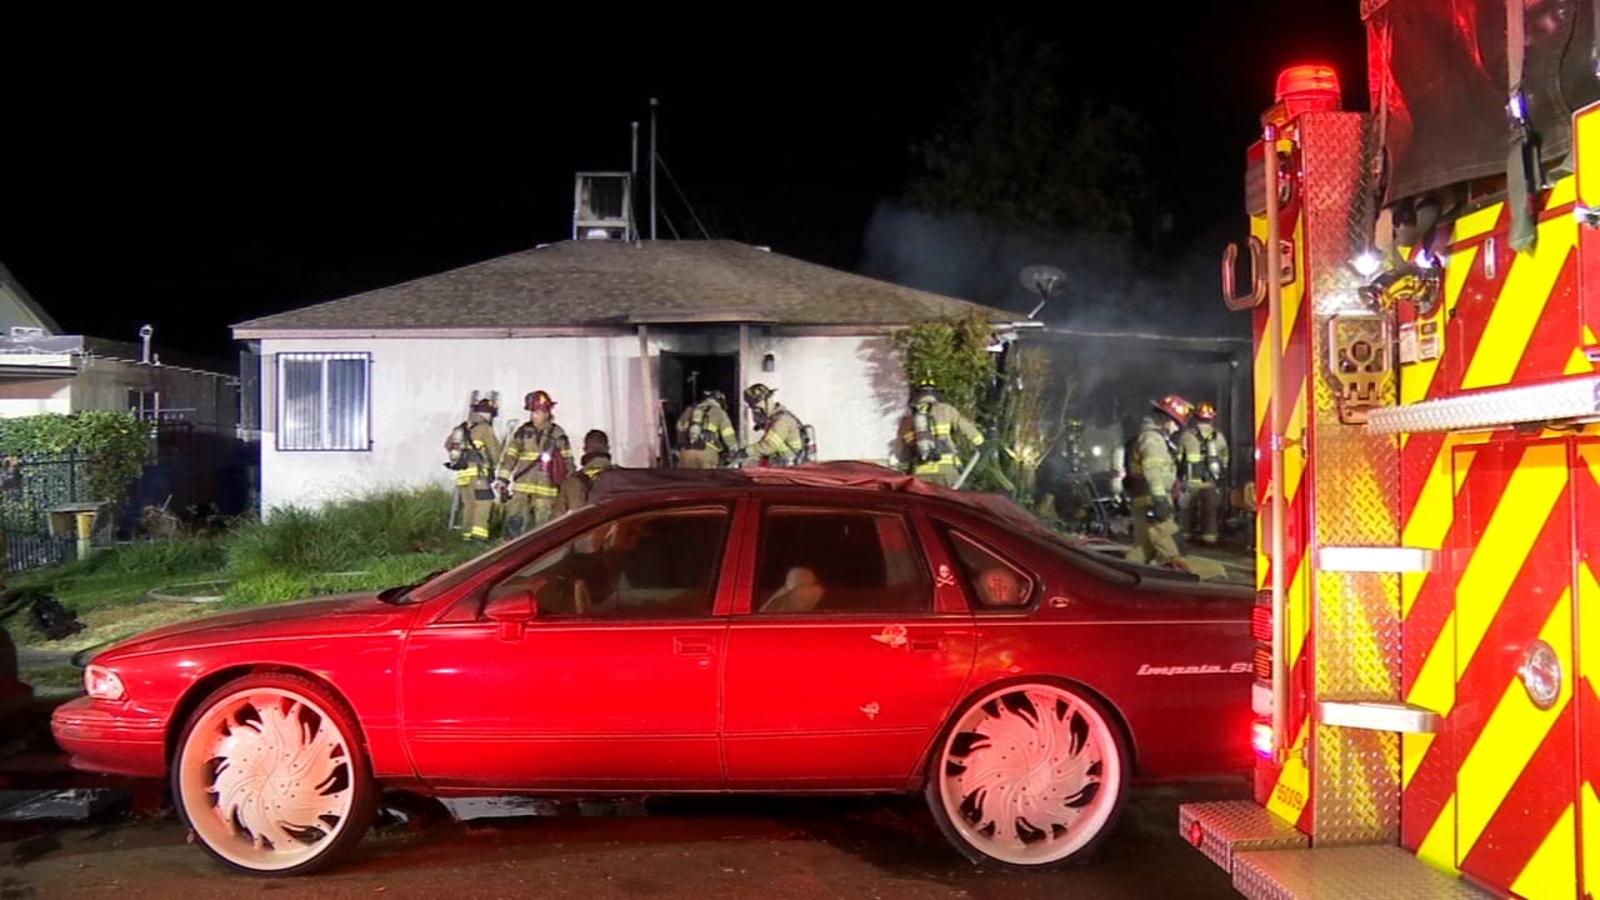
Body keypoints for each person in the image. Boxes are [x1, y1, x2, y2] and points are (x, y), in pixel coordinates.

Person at [1124, 394, 1191, 566]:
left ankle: (1124, 582)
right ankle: (1179, 584)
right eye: (1175, 423)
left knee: (1142, 550)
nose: (1176, 428)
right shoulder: (1153, 439)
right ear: (1165, 419)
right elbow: (1152, 470)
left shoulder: (1152, 437)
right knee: (1173, 550)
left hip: (1146, 499)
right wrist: (1160, 499)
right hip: (1152, 500)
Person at [496, 390, 574, 536]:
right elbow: (510, 457)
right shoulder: (523, 432)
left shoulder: (557, 434)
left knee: (543, 527)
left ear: (547, 413)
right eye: (533, 412)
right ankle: (511, 548)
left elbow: (568, 461)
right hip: (522, 484)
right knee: (514, 519)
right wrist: (502, 479)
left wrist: (568, 486)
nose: (535, 416)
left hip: (546, 487)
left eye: (539, 412)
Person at [899, 379, 984, 488]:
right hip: (946, 470)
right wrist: (981, 442)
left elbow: (903, 452)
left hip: (921, 473)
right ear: (937, 394)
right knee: (954, 502)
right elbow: (966, 428)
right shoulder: (946, 410)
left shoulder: (910, 418)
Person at [443, 392, 501, 542]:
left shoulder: (461, 428)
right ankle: (478, 538)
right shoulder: (484, 428)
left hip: (462, 475)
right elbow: (494, 452)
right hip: (478, 474)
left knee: (469, 505)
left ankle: (467, 536)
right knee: (483, 503)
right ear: (488, 414)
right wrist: (494, 465)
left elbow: (448, 445)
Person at [1179, 402, 1231, 545]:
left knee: (1187, 510)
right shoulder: (1219, 437)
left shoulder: (1186, 436)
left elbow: (1178, 458)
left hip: (1191, 481)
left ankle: (1186, 534)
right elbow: (1225, 459)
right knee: (1210, 511)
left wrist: (1178, 477)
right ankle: (1209, 537)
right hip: (1211, 482)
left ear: (1195, 418)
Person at [738, 384, 806, 466]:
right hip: (783, 465)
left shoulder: (782, 420)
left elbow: (769, 446)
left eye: (757, 406)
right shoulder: (773, 419)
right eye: (753, 408)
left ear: (767, 400)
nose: (756, 411)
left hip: (789, 467)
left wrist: (744, 452)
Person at [555, 429, 614, 516]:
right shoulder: (622, 479)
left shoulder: (572, 483)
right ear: (608, 449)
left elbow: (558, 520)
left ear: (585, 449)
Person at [676, 390, 737, 469]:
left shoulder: (689, 410)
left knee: (686, 480)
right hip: (707, 453)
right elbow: (728, 435)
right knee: (707, 480)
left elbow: (679, 429)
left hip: (686, 453)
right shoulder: (719, 412)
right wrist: (733, 452)